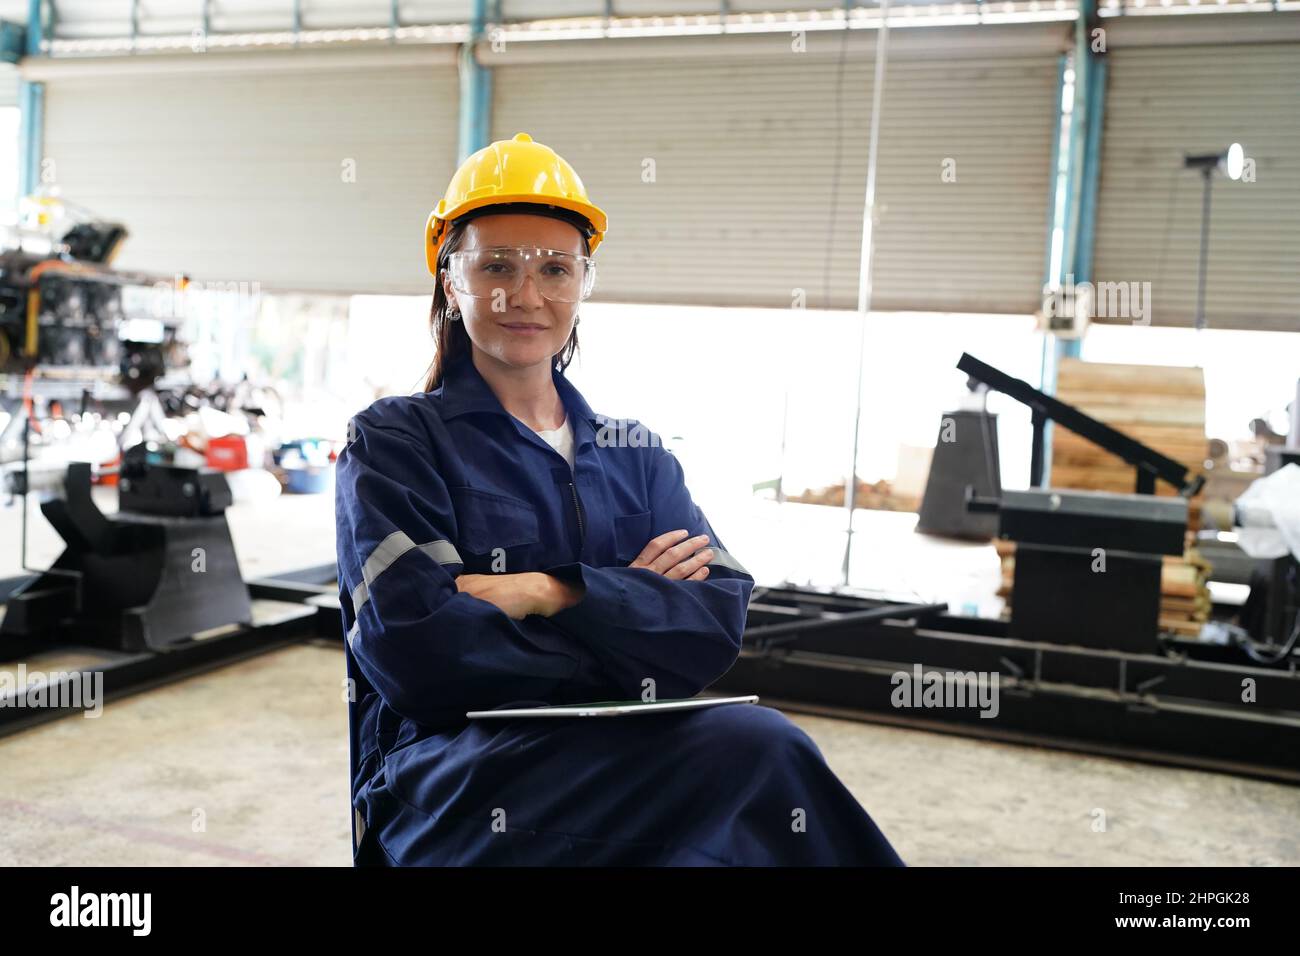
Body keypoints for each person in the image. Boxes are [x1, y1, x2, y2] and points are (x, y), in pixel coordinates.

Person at [334, 132, 904, 866]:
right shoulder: (394, 442)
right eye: (496, 266)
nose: (526, 294)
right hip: (448, 771)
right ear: (451, 282)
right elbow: (419, 654)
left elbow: (714, 622)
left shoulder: (636, 453)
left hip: (616, 744)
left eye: (555, 269)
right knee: (757, 754)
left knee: (741, 798)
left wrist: (550, 593)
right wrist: (629, 624)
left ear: (584, 282)